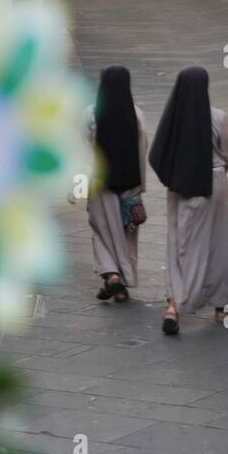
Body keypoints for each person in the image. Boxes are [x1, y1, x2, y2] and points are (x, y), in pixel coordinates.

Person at [149, 67, 228, 334]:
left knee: (180, 243)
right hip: (214, 183)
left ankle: (174, 305)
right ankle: (222, 305)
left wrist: (175, 176)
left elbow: (158, 152)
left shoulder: (173, 119)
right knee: (219, 244)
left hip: (179, 187)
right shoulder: (218, 117)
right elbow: (227, 152)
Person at [84, 65, 147, 304]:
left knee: (100, 231)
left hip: (99, 184)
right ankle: (121, 286)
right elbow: (143, 149)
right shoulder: (137, 114)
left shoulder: (91, 114)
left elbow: (83, 149)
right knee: (126, 235)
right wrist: (139, 185)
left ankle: (111, 276)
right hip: (129, 184)